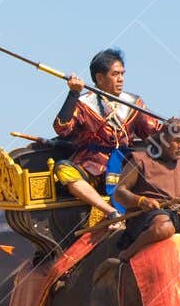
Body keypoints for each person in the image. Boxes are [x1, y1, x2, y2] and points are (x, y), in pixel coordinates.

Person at [51, 47, 163, 218]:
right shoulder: (83, 103)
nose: (121, 79)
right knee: (64, 169)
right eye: (115, 74)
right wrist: (73, 93)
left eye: (122, 74)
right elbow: (62, 128)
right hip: (92, 166)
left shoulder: (133, 102)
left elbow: (154, 132)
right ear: (100, 78)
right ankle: (110, 212)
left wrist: (174, 129)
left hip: (125, 164)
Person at [112, 117, 180, 256]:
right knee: (164, 228)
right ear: (164, 140)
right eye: (177, 141)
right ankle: (128, 253)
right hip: (148, 217)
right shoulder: (139, 160)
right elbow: (119, 193)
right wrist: (141, 201)